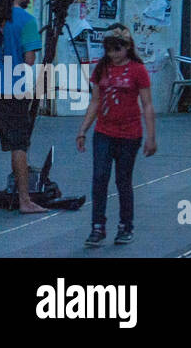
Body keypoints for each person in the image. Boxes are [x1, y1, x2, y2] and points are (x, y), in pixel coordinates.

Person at [76, 24, 155, 246]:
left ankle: (125, 226)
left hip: (130, 134)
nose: (114, 55)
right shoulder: (102, 69)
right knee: (100, 179)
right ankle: (97, 227)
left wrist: (151, 136)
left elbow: (147, 104)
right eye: (110, 50)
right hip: (104, 132)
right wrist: (83, 130)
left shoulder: (138, 70)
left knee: (123, 181)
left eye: (118, 49)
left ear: (128, 48)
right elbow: (95, 101)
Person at [0, 0, 45, 213]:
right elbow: (29, 59)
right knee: (18, 146)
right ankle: (24, 200)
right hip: (13, 90)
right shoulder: (26, 20)